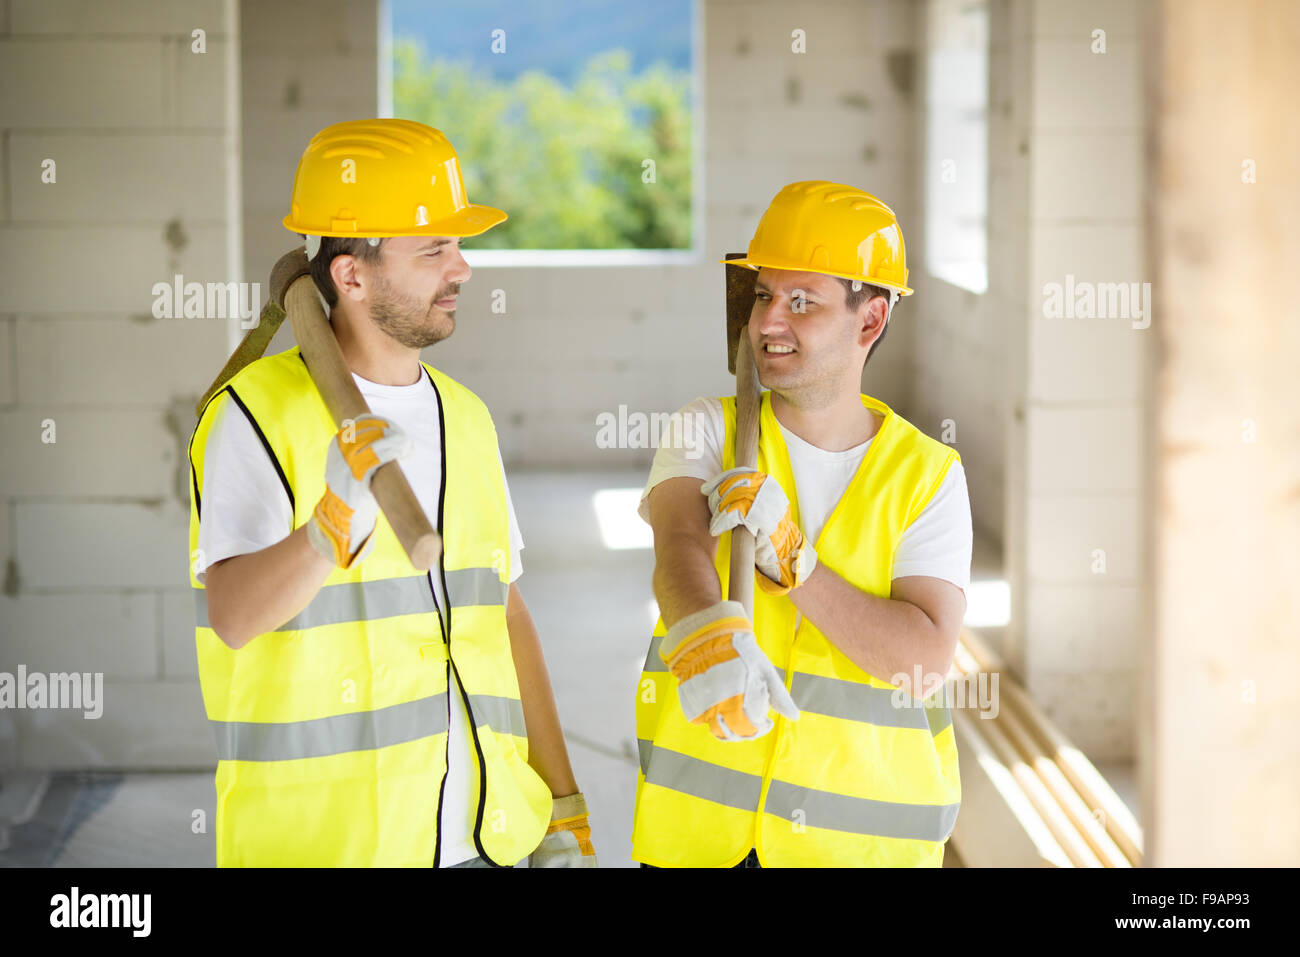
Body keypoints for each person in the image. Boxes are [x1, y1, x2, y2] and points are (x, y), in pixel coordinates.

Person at [187, 118, 595, 868]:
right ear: (351, 275)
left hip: (481, 840)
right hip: (327, 849)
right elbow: (233, 616)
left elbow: (504, 611)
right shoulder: (255, 413)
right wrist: (325, 531)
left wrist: (560, 808)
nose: (462, 269)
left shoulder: (465, 418)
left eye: (459, 245)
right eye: (433, 248)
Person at [632, 181, 972, 867]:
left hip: (860, 846)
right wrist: (706, 636)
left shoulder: (928, 475)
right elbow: (679, 547)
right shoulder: (708, 428)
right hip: (703, 838)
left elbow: (921, 661)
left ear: (870, 320)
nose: (768, 323)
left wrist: (797, 565)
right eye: (762, 295)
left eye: (801, 302)